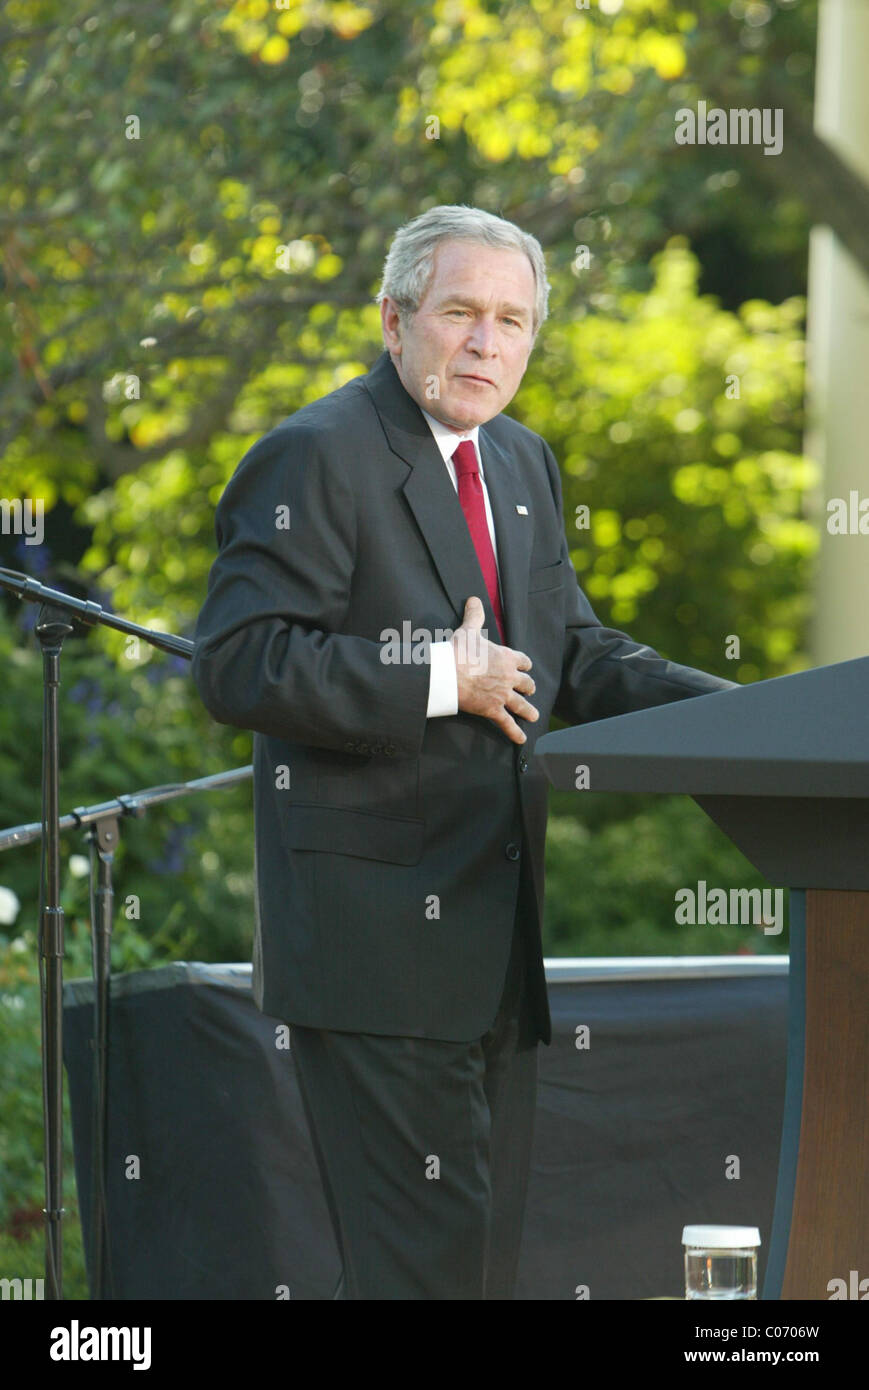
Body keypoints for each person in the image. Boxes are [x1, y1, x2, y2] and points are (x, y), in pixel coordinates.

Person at [191, 204, 734, 1300]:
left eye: (511, 320)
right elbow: (238, 664)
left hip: (492, 950)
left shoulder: (519, 461)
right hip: (374, 957)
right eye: (459, 313)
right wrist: (443, 677)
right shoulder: (312, 455)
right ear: (392, 320)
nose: (486, 342)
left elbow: (571, 652)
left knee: (464, 1268)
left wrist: (746, 716)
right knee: (424, 1273)